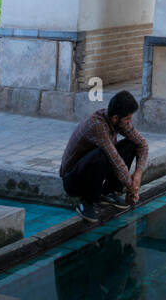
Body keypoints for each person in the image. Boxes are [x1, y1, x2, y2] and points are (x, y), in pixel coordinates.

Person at [59, 90, 148, 222]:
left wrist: (138, 174)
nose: (130, 122)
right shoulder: (97, 125)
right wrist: (132, 188)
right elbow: (116, 160)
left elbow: (142, 144)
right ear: (115, 118)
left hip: (90, 172)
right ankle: (86, 201)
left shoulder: (118, 121)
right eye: (127, 119)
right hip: (73, 180)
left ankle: (108, 193)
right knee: (102, 155)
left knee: (131, 144)